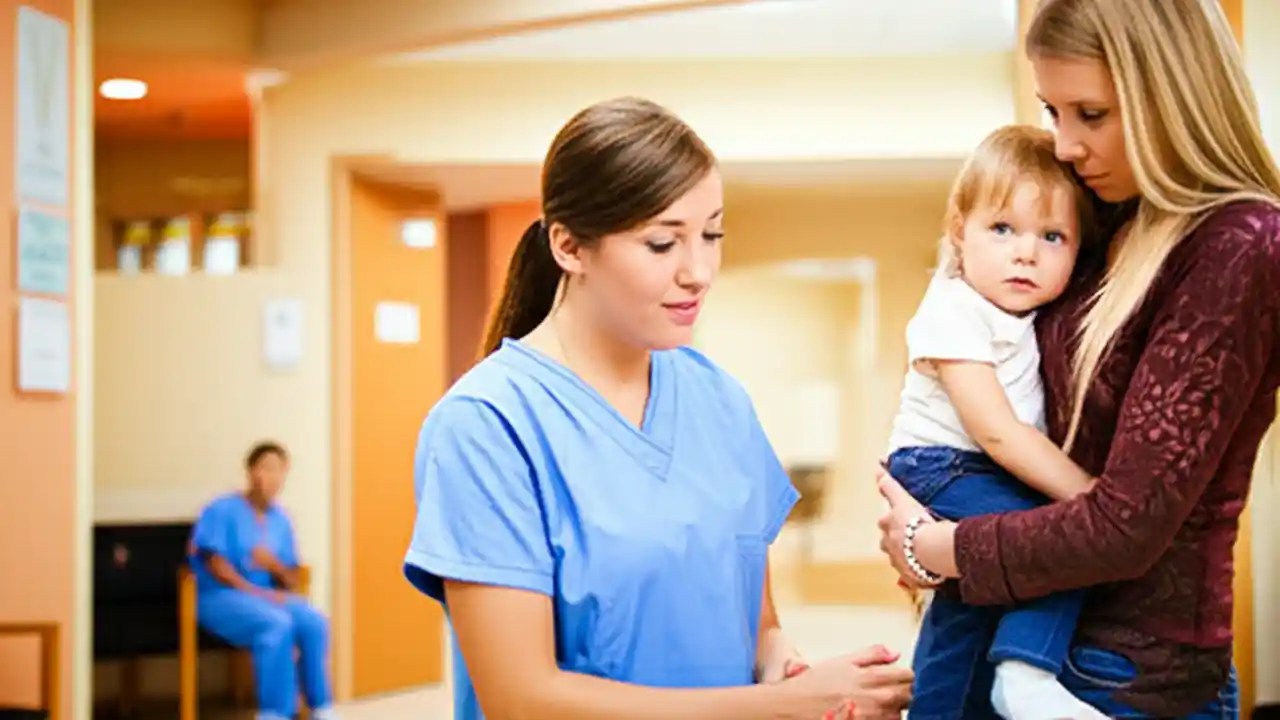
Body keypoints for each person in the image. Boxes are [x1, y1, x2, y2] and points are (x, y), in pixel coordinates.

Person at [401, 97, 914, 720]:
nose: (698, 271)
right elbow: (522, 698)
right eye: (662, 243)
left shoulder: (718, 400)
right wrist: (780, 705)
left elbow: (755, 622)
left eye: (712, 235)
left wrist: (782, 660)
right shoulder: (487, 426)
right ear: (568, 246)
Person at [876, 0, 1280, 717]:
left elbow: (1125, 525)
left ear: (1171, 95)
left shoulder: (1240, 245)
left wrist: (937, 545)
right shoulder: (1103, 223)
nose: (1063, 145)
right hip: (1020, 634)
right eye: (1052, 112)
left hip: (1129, 677)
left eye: (1089, 114)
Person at [884, 124, 1106, 720]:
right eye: (1002, 229)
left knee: (967, 599)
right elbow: (997, 431)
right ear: (961, 232)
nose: (1026, 252)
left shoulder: (1034, 316)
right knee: (1057, 544)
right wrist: (1089, 496)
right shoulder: (953, 306)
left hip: (976, 469)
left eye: (1052, 236)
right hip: (941, 466)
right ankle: (1028, 672)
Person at [189, 442, 336, 720]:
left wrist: (273, 565)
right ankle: (275, 712)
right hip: (219, 596)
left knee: (314, 621)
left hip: (265, 597)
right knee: (276, 623)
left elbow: (291, 578)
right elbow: (216, 565)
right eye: (266, 468)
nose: (273, 476)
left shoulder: (281, 520)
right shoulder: (222, 509)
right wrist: (259, 593)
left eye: (280, 470)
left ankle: (321, 706)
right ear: (251, 471)